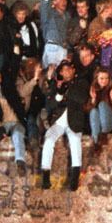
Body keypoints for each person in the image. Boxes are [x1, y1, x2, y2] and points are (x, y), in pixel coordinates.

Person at [40, 59, 88, 191]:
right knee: (49, 139)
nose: (67, 72)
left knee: (75, 141)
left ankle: (74, 178)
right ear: (60, 72)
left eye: (69, 69)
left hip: (74, 120)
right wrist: (59, 93)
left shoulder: (81, 82)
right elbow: (50, 105)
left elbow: (82, 98)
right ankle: (45, 176)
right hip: (58, 121)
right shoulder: (56, 84)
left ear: (73, 70)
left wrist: (68, 87)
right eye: (63, 70)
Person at [0, 65, 28, 183]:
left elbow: (13, 65)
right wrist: (0, 127)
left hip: (15, 121)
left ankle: (20, 163)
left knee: (18, 134)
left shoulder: (7, 86)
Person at [88, 68, 112, 150]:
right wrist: (93, 99)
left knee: (102, 104)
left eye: (106, 78)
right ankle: (96, 141)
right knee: (93, 111)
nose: (104, 81)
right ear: (97, 79)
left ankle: (103, 134)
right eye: (101, 78)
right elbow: (87, 109)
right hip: (98, 125)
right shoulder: (92, 90)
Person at [40, 0, 72, 68]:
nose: (64, 2)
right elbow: (44, 6)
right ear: (54, 2)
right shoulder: (49, 14)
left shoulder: (67, 15)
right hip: (53, 47)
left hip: (64, 48)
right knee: (52, 72)